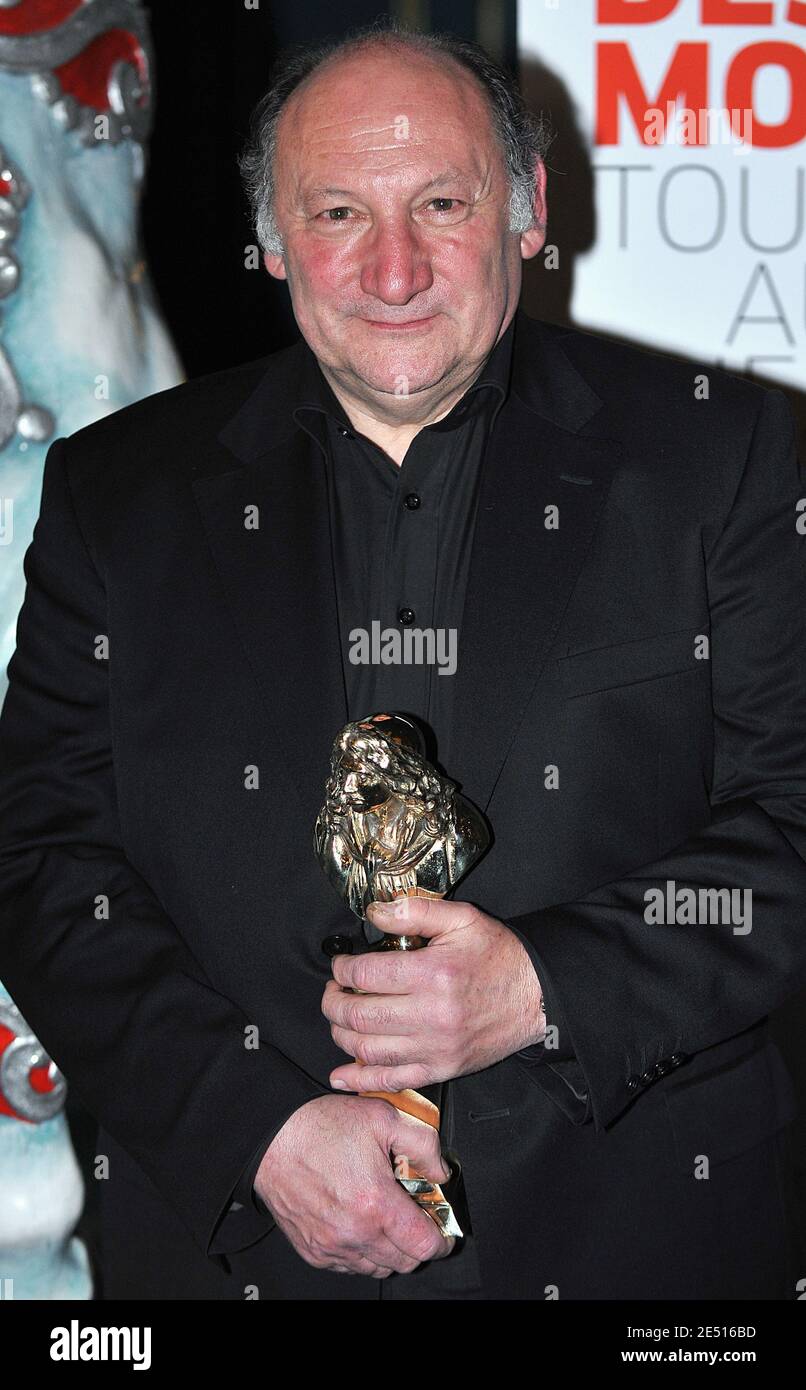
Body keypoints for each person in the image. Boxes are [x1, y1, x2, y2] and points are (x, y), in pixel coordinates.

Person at [1, 20, 804, 1301]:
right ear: (269, 240)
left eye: (441, 202)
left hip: (635, 1257)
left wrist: (543, 985)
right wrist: (249, 1124)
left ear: (528, 209)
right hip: (237, 1248)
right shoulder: (114, 494)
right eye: (335, 212)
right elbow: (37, 853)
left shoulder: (724, 460)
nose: (391, 268)